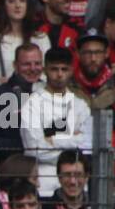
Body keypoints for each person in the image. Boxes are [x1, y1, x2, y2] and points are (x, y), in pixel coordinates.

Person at [21, 47, 94, 198]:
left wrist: (54, 139)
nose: (59, 74)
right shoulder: (32, 104)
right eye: (54, 69)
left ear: (72, 70)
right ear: (45, 70)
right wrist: (73, 141)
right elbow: (34, 149)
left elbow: (87, 144)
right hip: (44, 177)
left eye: (64, 69)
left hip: (77, 179)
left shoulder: (80, 105)